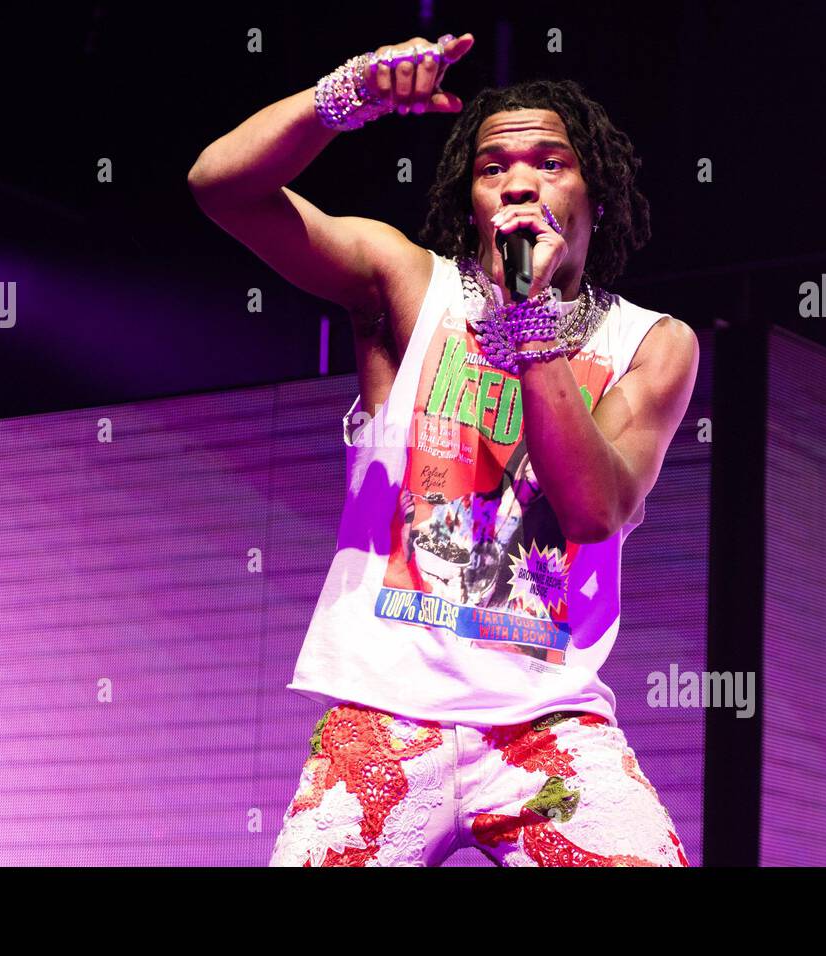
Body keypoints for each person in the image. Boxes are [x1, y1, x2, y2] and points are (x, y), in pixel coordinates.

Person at [189, 32, 699, 867]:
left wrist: (532, 325)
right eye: (493, 166)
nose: (520, 180)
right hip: (385, 710)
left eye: (549, 161)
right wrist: (347, 94)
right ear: (472, 200)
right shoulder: (408, 285)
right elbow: (220, 188)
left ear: (594, 193)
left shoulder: (651, 342)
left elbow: (593, 510)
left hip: (549, 722)